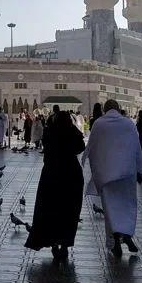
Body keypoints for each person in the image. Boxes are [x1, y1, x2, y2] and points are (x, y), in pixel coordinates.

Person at [83, 99, 142, 257]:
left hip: (107, 175)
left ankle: (116, 240)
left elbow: (92, 148)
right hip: (127, 174)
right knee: (126, 207)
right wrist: (140, 171)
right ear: (118, 109)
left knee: (111, 210)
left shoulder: (99, 124)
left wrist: (92, 168)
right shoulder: (128, 124)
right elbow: (137, 148)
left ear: (105, 110)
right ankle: (128, 235)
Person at [25, 111, 85, 260]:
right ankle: (65, 244)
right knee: (69, 211)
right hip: (71, 174)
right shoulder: (72, 131)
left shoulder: (50, 131)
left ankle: (53, 243)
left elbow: (45, 145)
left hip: (52, 174)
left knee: (50, 209)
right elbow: (80, 147)